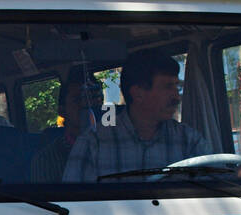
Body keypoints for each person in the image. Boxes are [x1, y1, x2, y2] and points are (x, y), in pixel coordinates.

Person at [63, 49, 213, 182]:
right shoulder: (94, 143)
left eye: (177, 86)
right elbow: (74, 205)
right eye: (167, 87)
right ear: (138, 93)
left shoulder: (189, 140)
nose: (176, 97)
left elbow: (216, 191)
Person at [31, 68, 103, 183]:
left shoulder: (113, 145)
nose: (87, 105)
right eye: (78, 99)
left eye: (93, 98)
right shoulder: (47, 160)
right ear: (62, 111)